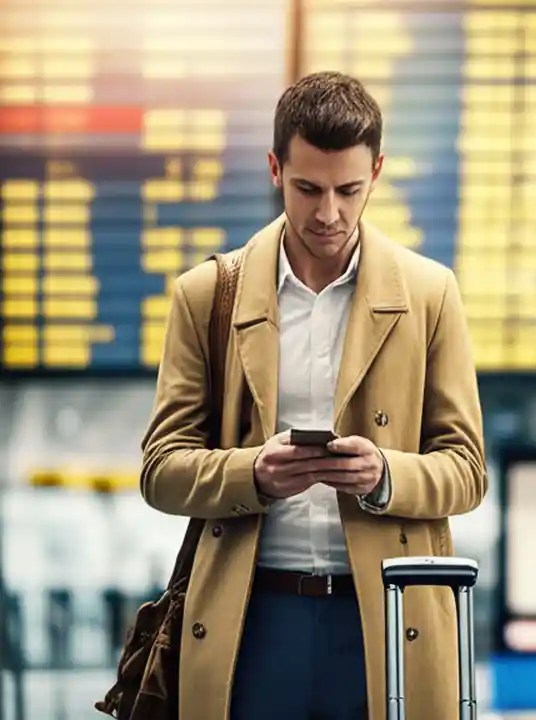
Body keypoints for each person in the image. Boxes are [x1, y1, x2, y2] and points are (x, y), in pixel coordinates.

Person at [139, 71, 487, 720]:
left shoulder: (430, 293)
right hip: (251, 619)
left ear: (377, 172)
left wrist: (384, 474)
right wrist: (255, 473)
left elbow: (467, 472)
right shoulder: (206, 295)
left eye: (349, 190)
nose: (329, 213)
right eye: (308, 189)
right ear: (275, 168)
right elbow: (160, 471)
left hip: (388, 614)